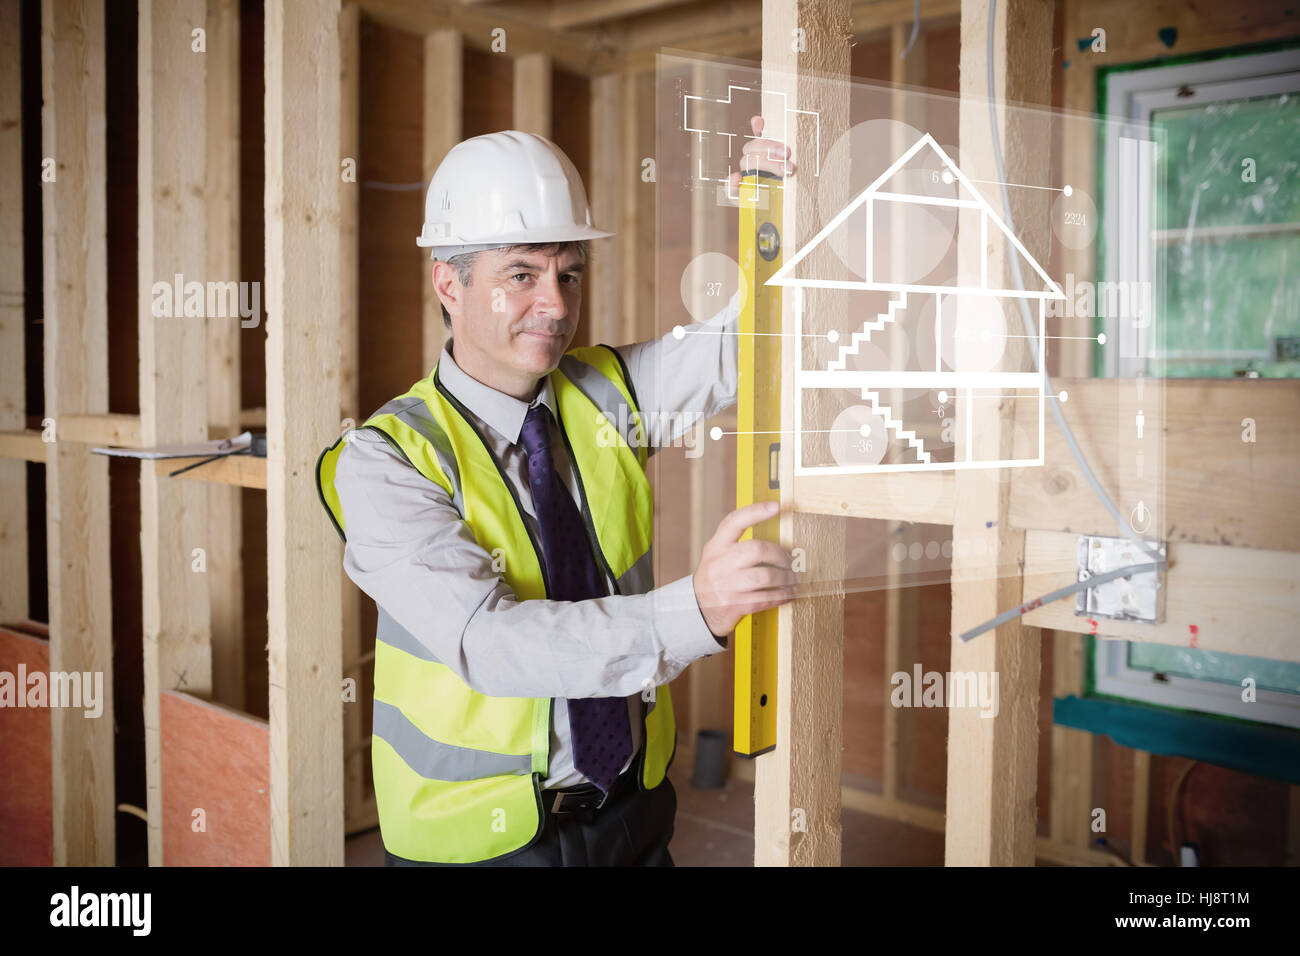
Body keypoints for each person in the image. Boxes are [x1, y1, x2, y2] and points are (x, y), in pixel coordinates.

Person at [316, 117, 797, 866]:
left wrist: (777, 215)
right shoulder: (385, 460)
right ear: (449, 282)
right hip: (482, 844)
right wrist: (694, 611)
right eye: (521, 274)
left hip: (633, 816)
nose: (555, 303)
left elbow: (750, 344)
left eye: (568, 273)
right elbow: (490, 640)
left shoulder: (607, 391)